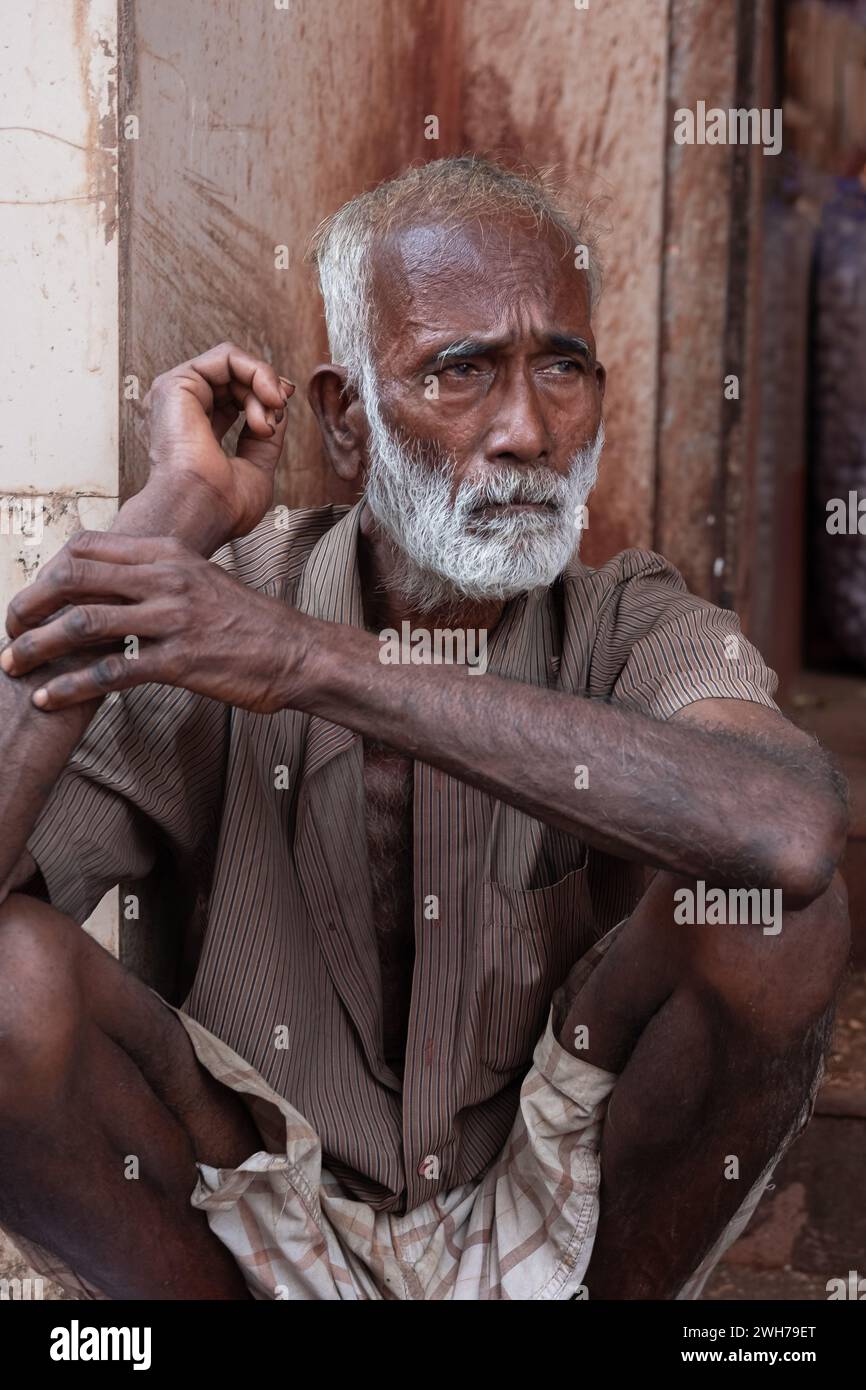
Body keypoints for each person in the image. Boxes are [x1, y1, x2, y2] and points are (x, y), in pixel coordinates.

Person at [0, 157, 849, 1300]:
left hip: (551, 1212)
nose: (528, 431)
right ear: (345, 419)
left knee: (769, 911)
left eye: (562, 367)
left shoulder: (624, 617)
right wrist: (172, 518)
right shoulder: (225, 608)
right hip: (255, 1207)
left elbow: (790, 828)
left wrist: (310, 664)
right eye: (460, 371)